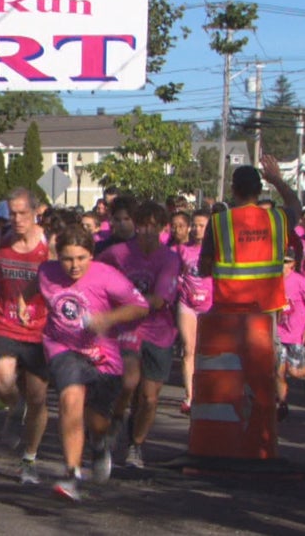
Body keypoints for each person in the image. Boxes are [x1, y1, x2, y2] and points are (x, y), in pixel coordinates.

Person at [38, 225, 148, 501]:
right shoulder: (46, 272)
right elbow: (32, 286)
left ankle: (99, 445)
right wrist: (19, 299)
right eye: (67, 259)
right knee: (70, 400)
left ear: (92, 255)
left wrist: (108, 319)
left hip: (103, 355)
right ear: (57, 255)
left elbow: (141, 306)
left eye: (81, 258)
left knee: (97, 421)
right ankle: (72, 474)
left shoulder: (108, 277)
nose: (74, 266)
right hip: (64, 347)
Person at [99, 201, 180, 469]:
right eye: (142, 225)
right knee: (128, 382)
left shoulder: (169, 259)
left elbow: (158, 300)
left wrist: (128, 303)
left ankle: (137, 444)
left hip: (159, 331)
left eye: (152, 227)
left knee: (149, 397)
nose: (146, 232)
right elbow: (96, 270)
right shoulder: (120, 253)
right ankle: (117, 420)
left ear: (162, 229)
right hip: (127, 329)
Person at [0, 187, 51, 485]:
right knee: (2, 381)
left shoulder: (50, 245)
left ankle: (30, 459)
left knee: (37, 397)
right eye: (12, 213)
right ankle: (14, 406)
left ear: (37, 212)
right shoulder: (1, 242)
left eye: (23, 213)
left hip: (40, 328)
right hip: (4, 321)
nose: (18, 219)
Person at [198, 155, 301, 313]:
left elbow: (204, 268)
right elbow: (296, 205)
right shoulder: (278, 219)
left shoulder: (219, 222)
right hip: (267, 308)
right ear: (260, 190)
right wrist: (276, 179)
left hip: (228, 307)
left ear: (233, 190)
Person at [172, 209, 213, 414]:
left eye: (202, 225)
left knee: (207, 351)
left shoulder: (217, 251)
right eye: (195, 225)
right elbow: (176, 274)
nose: (197, 229)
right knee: (189, 349)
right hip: (187, 303)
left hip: (211, 305)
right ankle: (190, 396)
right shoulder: (181, 250)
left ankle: (208, 392)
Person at [278, 251, 305, 416]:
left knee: (294, 371)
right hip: (279, 333)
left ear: (292, 264)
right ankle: (282, 403)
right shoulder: (272, 281)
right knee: (278, 370)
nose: (281, 264)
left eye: (285, 261)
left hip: (296, 333)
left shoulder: (300, 281)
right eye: (279, 260)